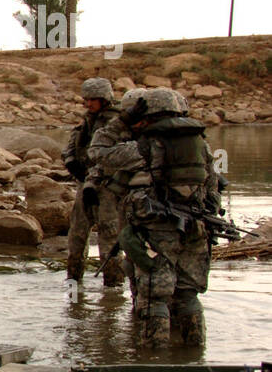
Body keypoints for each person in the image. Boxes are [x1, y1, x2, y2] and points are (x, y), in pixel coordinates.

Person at [92, 88, 218, 347]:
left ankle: (154, 359)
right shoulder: (201, 147)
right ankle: (195, 356)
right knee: (188, 296)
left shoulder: (142, 148)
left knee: (154, 298)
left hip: (156, 234)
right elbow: (213, 192)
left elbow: (97, 152)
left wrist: (122, 121)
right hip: (196, 231)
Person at [62, 78, 122, 285]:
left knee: (109, 236)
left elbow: (116, 156)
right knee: (77, 234)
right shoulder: (87, 121)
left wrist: (96, 176)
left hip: (108, 187)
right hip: (84, 182)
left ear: (104, 99)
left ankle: (113, 289)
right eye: (86, 100)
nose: (88, 104)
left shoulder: (117, 124)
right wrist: (71, 161)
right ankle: (74, 282)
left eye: (92, 100)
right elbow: (72, 145)